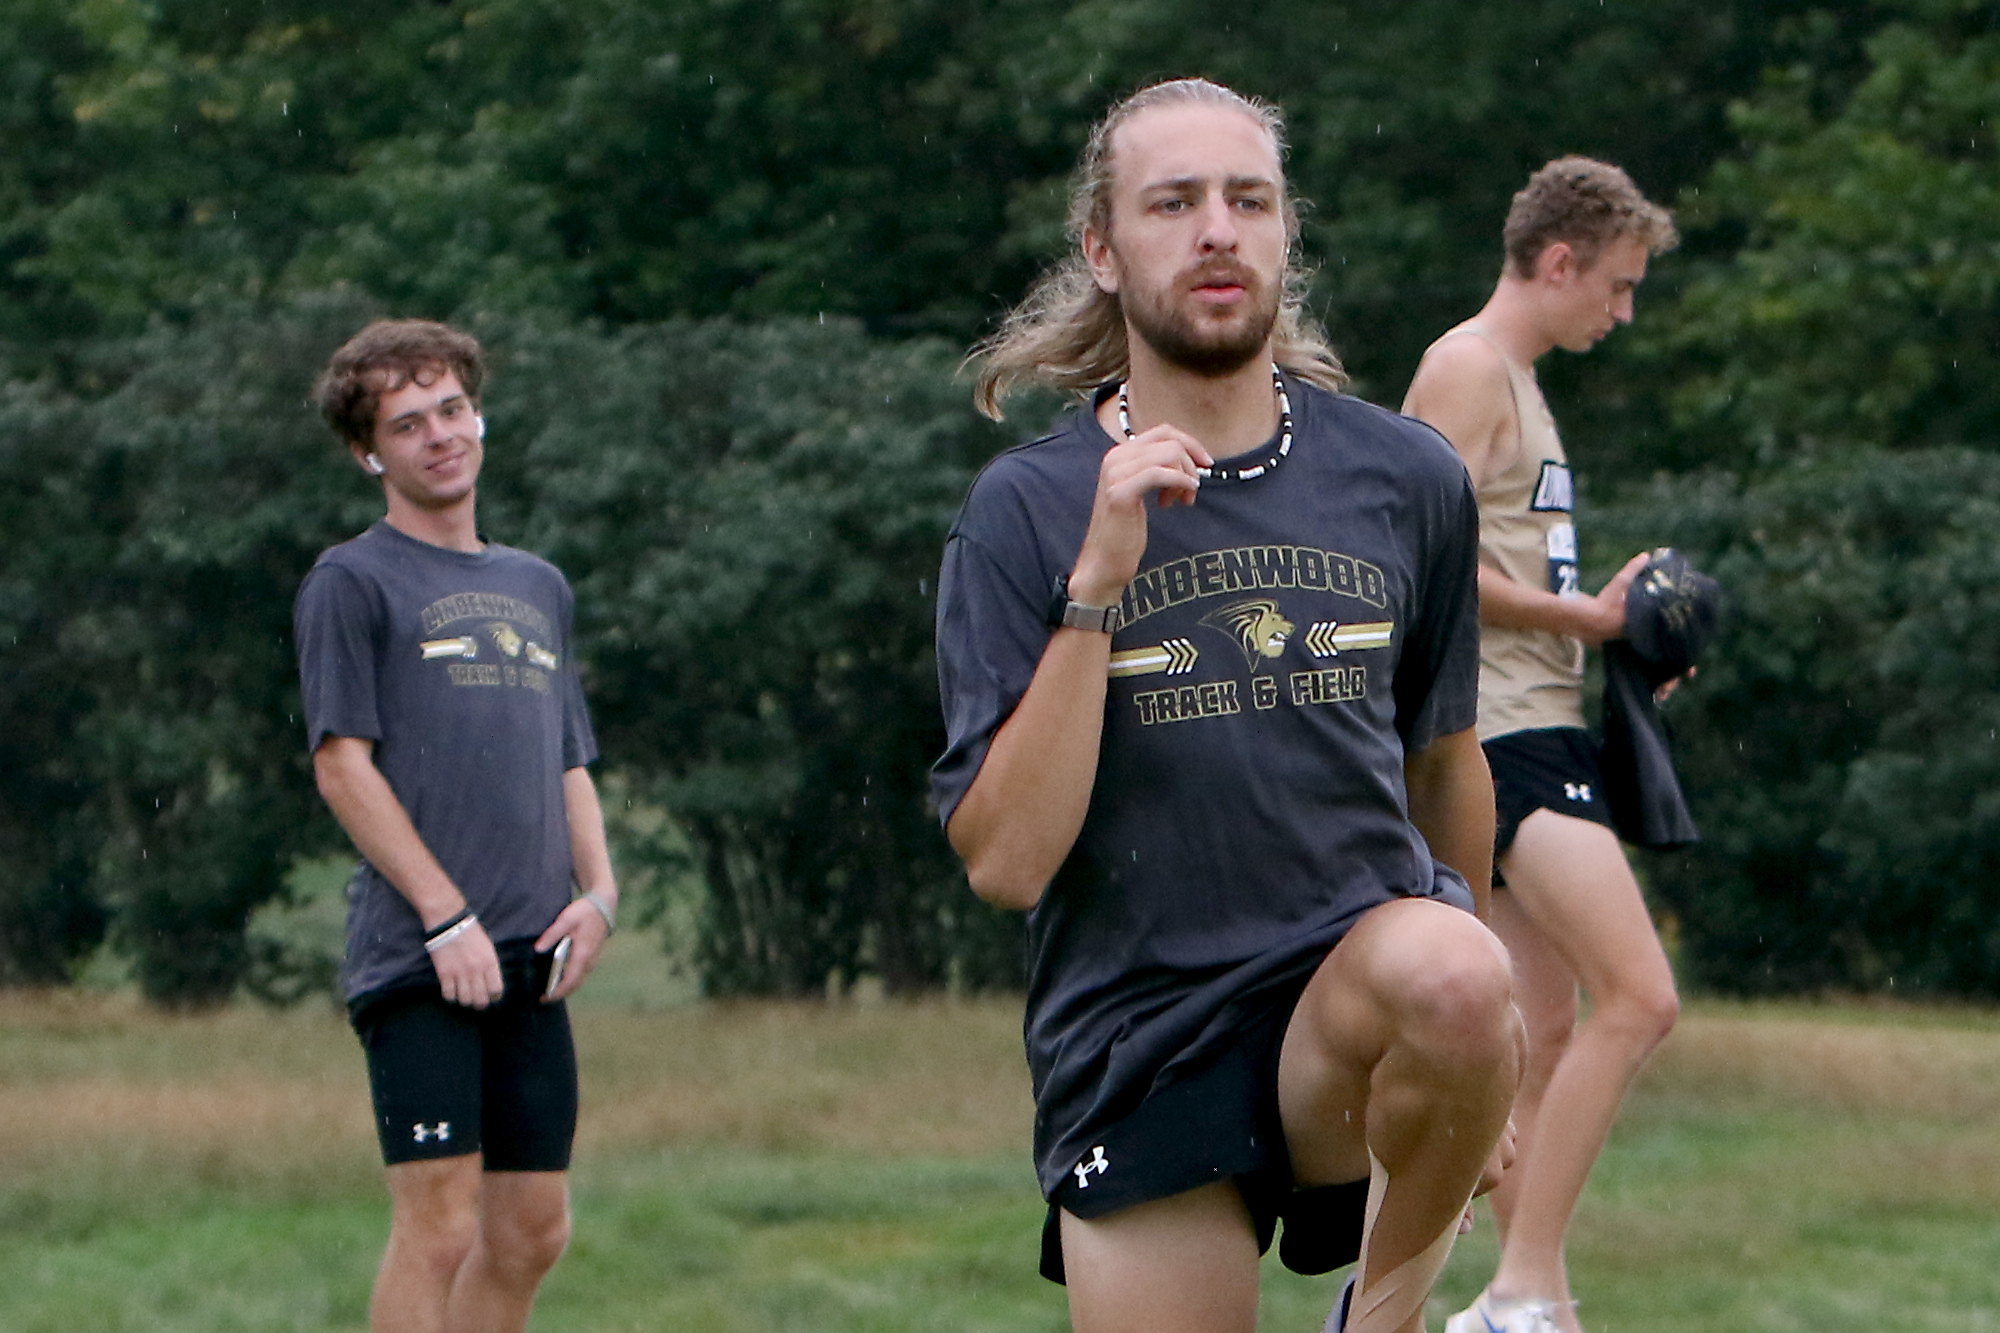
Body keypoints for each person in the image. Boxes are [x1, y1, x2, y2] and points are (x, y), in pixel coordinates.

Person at [934, 79, 1522, 1333]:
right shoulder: (1024, 510)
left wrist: (1480, 1068)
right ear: (1101, 248)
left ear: (1282, 235)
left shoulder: (1402, 475)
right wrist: (1097, 583)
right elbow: (1003, 861)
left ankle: (1383, 1319)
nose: (1216, 230)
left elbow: (1447, 762)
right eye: (1172, 203)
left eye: (1246, 200)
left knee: (1456, 970)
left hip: (1346, 1013)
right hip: (1138, 1044)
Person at [1400, 159, 1682, 1333]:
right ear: (1556, 260)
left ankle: (1488, 1292)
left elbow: (1512, 557)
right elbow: (1415, 556)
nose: (1620, 313)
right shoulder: (1465, 368)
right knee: (1638, 995)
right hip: (1501, 733)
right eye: (1613, 286)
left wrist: (1625, 644)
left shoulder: (1519, 381)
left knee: (1545, 1025)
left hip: (1543, 717)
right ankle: (1521, 1290)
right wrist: (1582, 619)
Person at [294, 319, 618, 1333]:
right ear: (368, 452)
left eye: (451, 409)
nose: (439, 435)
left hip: (532, 956)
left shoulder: (537, 586)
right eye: (406, 423)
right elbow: (341, 764)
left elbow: (568, 757)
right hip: (421, 959)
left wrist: (599, 894)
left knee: (529, 1232)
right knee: (436, 1229)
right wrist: (445, 917)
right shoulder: (351, 581)